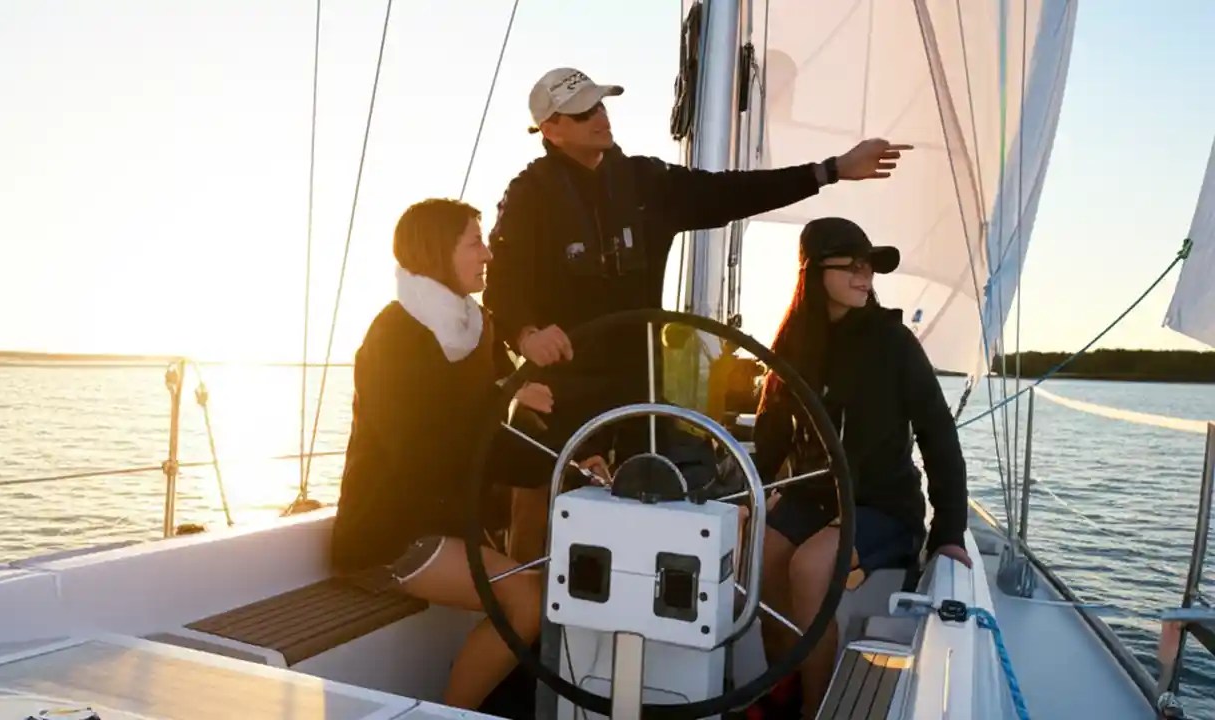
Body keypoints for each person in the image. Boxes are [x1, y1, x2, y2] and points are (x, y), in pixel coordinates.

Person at [482, 67, 913, 560]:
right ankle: (522, 605)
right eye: (583, 112)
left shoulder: (645, 182)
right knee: (535, 497)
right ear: (551, 129)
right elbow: (501, 287)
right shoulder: (528, 196)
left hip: (635, 382)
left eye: (601, 105)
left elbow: (731, 192)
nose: (600, 117)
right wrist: (526, 332)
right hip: (558, 383)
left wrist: (830, 170)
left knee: (636, 499)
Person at [330, 198, 556, 711]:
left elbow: (493, 428)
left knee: (539, 586)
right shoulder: (393, 337)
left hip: (448, 522)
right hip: (391, 531)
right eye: (475, 242)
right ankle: (450, 714)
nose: (488, 255)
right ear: (437, 251)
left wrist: (568, 460)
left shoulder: (476, 327)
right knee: (527, 599)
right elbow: (425, 449)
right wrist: (507, 405)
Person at [751, 216, 972, 716]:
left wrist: (950, 531)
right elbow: (773, 433)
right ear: (813, 273)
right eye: (850, 266)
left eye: (869, 267)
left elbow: (938, 435)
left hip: (883, 506)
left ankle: (816, 707)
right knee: (758, 551)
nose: (864, 276)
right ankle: (782, 682)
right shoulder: (794, 345)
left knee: (810, 568)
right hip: (813, 498)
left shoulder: (893, 344)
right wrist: (746, 488)